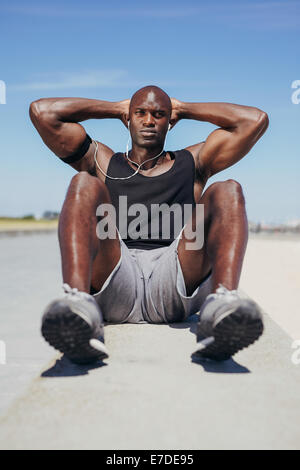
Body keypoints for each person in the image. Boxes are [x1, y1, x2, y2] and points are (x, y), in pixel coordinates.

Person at [29, 85, 269, 364]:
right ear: (128, 118)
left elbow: (255, 120)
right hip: (117, 277)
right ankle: (78, 306)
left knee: (228, 189)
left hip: (175, 277)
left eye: (159, 114)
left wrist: (184, 108)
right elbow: (42, 112)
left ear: (170, 121)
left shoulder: (194, 162)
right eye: (140, 113)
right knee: (83, 183)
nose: (149, 121)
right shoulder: (102, 161)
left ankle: (222, 308)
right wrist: (115, 108)